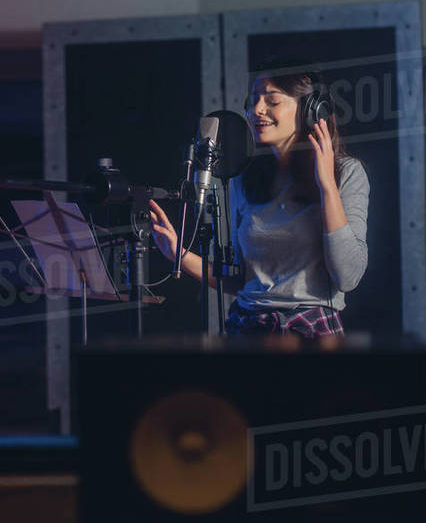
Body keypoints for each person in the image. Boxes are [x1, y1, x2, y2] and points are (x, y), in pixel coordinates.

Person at [148, 67, 369, 337]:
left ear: (312, 111)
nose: (257, 110)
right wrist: (178, 255)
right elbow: (242, 281)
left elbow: (347, 276)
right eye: (253, 101)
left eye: (272, 101)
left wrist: (327, 185)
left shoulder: (347, 173)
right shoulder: (246, 179)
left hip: (310, 333)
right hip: (248, 330)